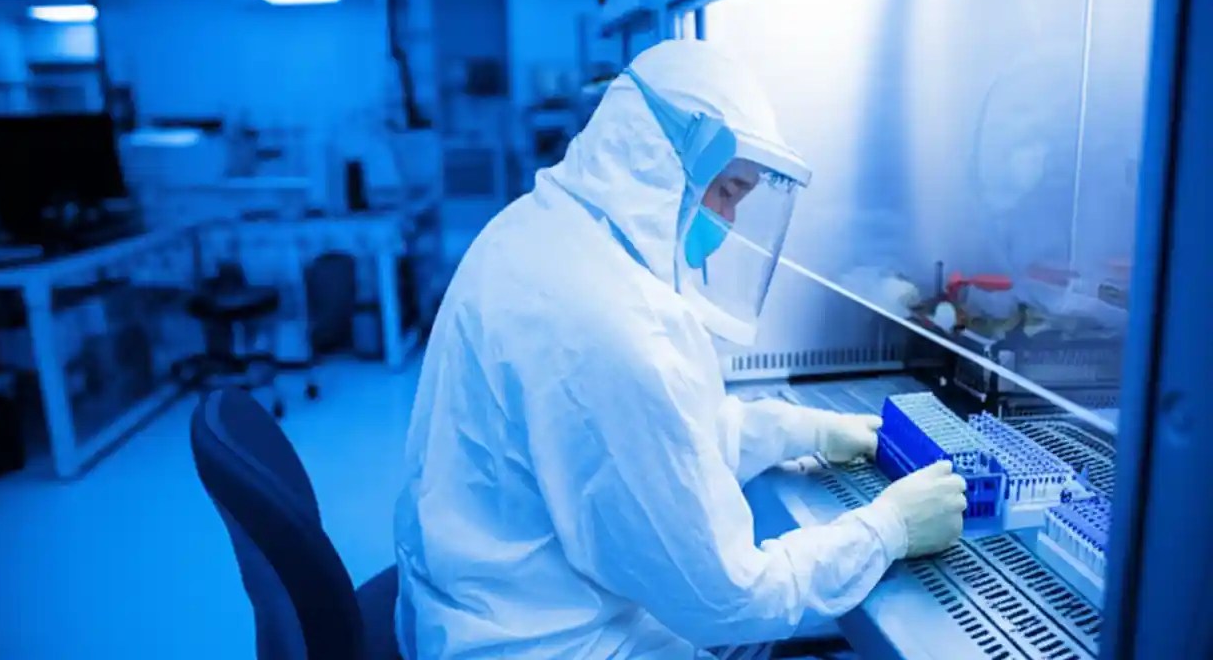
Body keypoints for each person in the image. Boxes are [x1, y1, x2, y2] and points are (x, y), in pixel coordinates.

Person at [394, 39, 967, 659]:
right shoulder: (610, 324)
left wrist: (804, 431)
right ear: (656, 162)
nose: (726, 223)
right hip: (547, 643)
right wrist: (885, 530)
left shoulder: (544, 232)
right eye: (726, 192)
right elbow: (731, 598)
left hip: (493, 608)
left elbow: (653, 439)